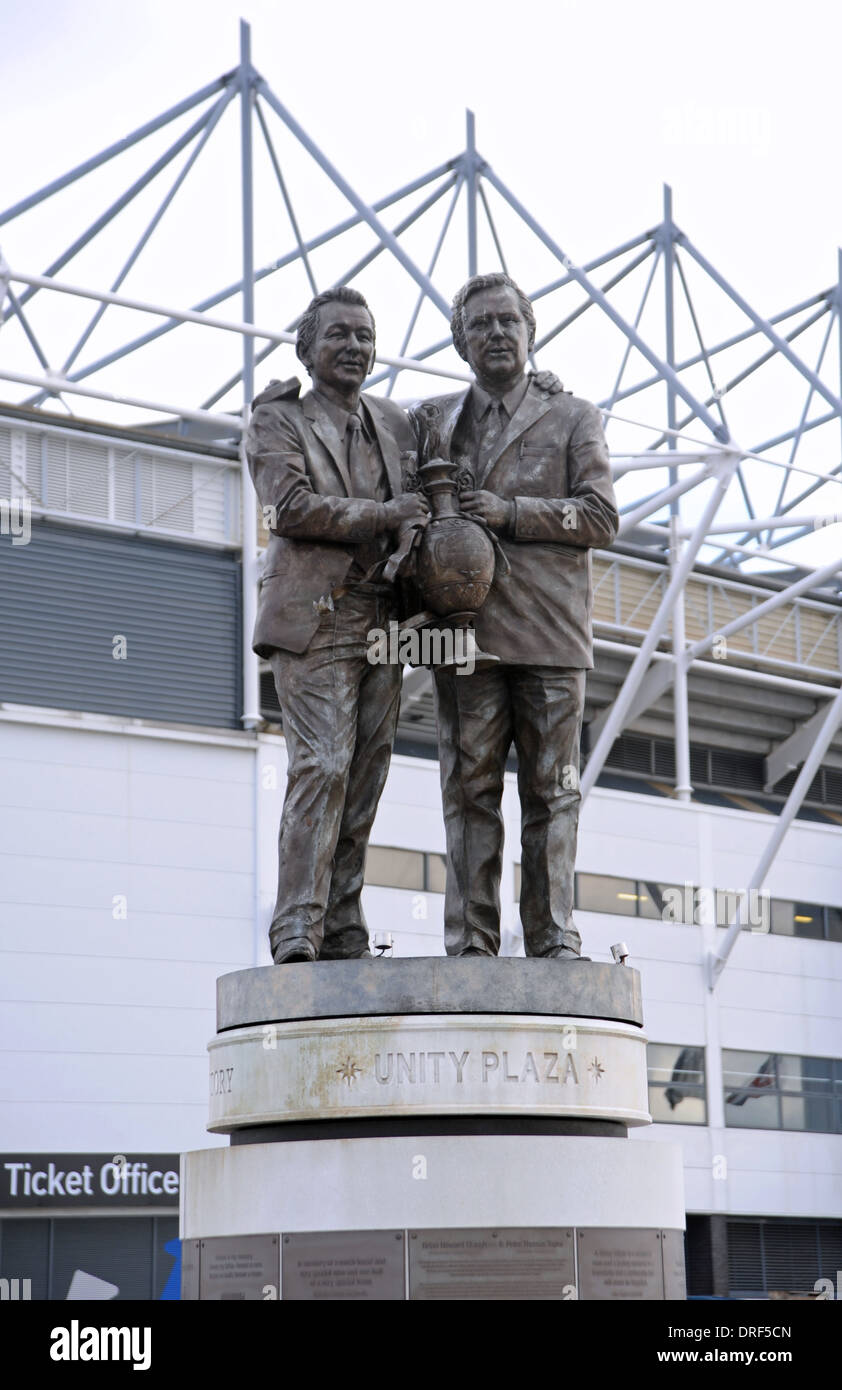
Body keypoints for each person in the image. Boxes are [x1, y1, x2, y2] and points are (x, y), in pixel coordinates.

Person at [409, 272, 619, 959]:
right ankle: (469, 944)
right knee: (466, 793)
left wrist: (513, 514)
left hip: (551, 635)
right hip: (465, 640)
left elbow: (600, 516)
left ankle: (554, 937)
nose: (496, 333)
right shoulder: (431, 421)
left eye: (508, 321)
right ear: (460, 341)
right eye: (481, 324)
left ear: (530, 333)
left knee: (552, 794)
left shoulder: (573, 415)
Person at [247, 286, 427, 963]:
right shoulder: (278, 419)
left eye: (364, 335)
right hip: (315, 618)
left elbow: (464, 430)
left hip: (383, 617)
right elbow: (291, 508)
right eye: (339, 335)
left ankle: (344, 925)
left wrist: (539, 380)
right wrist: (387, 515)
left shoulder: (395, 422)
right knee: (320, 765)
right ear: (308, 349)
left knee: (364, 773)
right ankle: (297, 924)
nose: (354, 347)